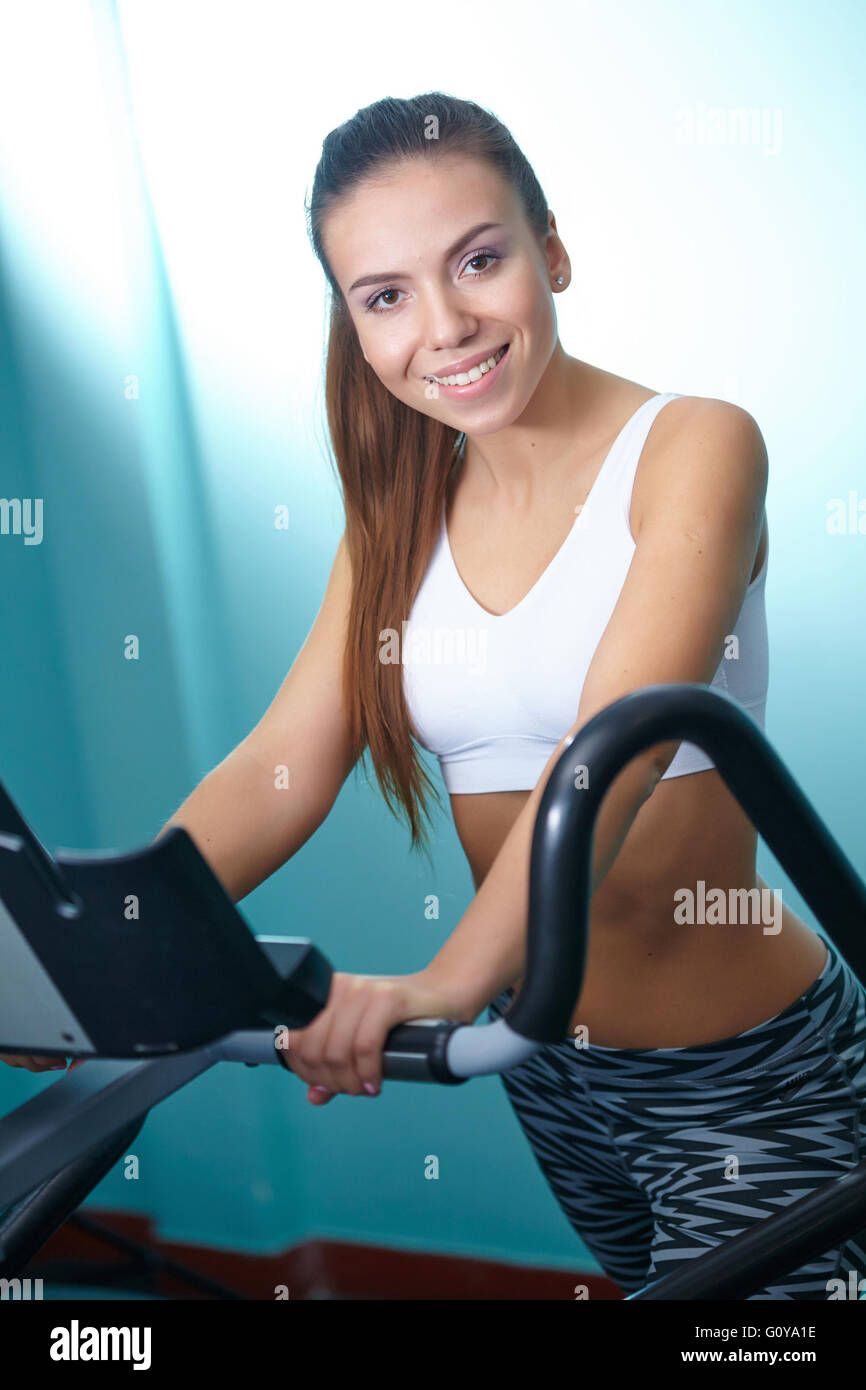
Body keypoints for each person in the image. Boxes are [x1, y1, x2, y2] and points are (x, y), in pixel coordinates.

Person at [5, 92, 865, 1299]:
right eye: (386, 295)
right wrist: (105, 955)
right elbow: (278, 766)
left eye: (478, 260)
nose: (447, 324)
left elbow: (604, 751)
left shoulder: (694, 447)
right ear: (354, 324)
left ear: (549, 250)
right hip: (545, 1063)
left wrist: (444, 977)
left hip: (738, 1067)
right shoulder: (397, 524)